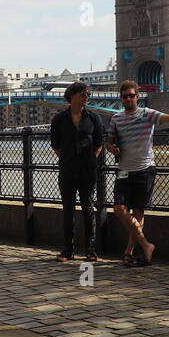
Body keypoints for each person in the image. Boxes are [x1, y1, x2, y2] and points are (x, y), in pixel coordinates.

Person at [106, 80, 169, 266]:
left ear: (138, 96)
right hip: (124, 170)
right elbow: (109, 141)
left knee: (138, 213)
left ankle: (129, 252)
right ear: (121, 98)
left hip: (144, 170)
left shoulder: (147, 114)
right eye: (125, 96)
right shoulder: (116, 119)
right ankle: (146, 244)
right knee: (119, 209)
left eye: (131, 95)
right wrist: (111, 148)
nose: (128, 98)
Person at [49, 81, 106, 262]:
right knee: (68, 210)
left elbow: (99, 144)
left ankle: (90, 250)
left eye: (88, 94)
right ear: (72, 95)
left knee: (88, 209)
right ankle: (68, 251)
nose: (87, 97)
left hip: (87, 171)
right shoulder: (59, 119)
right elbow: (55, 145)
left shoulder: (94, 118)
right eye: (83, 93)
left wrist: (89, 160)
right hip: (67, 171)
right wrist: (68, 159)